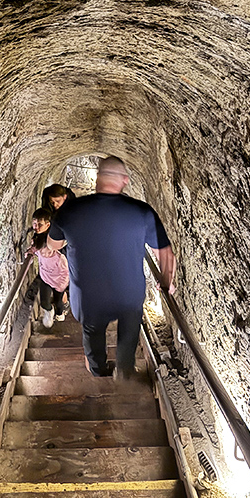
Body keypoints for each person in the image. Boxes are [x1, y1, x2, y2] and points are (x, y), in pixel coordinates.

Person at [47, 156, 175, 378]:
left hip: (89, 295)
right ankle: (124, 372)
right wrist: (165, 281)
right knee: (128, 331)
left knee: (93, 332)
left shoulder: (71, 211)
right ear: (125, 180)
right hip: (128, 293)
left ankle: (98, 371)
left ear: (98, 179)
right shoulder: (141, 211)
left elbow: (53, 244)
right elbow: (164, 252)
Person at [26, 208, 70, 328]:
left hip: (60, 275)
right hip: (45, 274)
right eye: (34, 224)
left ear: (48, 225)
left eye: (40, 224)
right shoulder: (37, 238)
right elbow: (37, 248)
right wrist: (30, 251)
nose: (36, 227)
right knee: (45, 302)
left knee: (58, 300)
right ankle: (49, 311)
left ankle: (61, 312)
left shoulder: (53, 238)